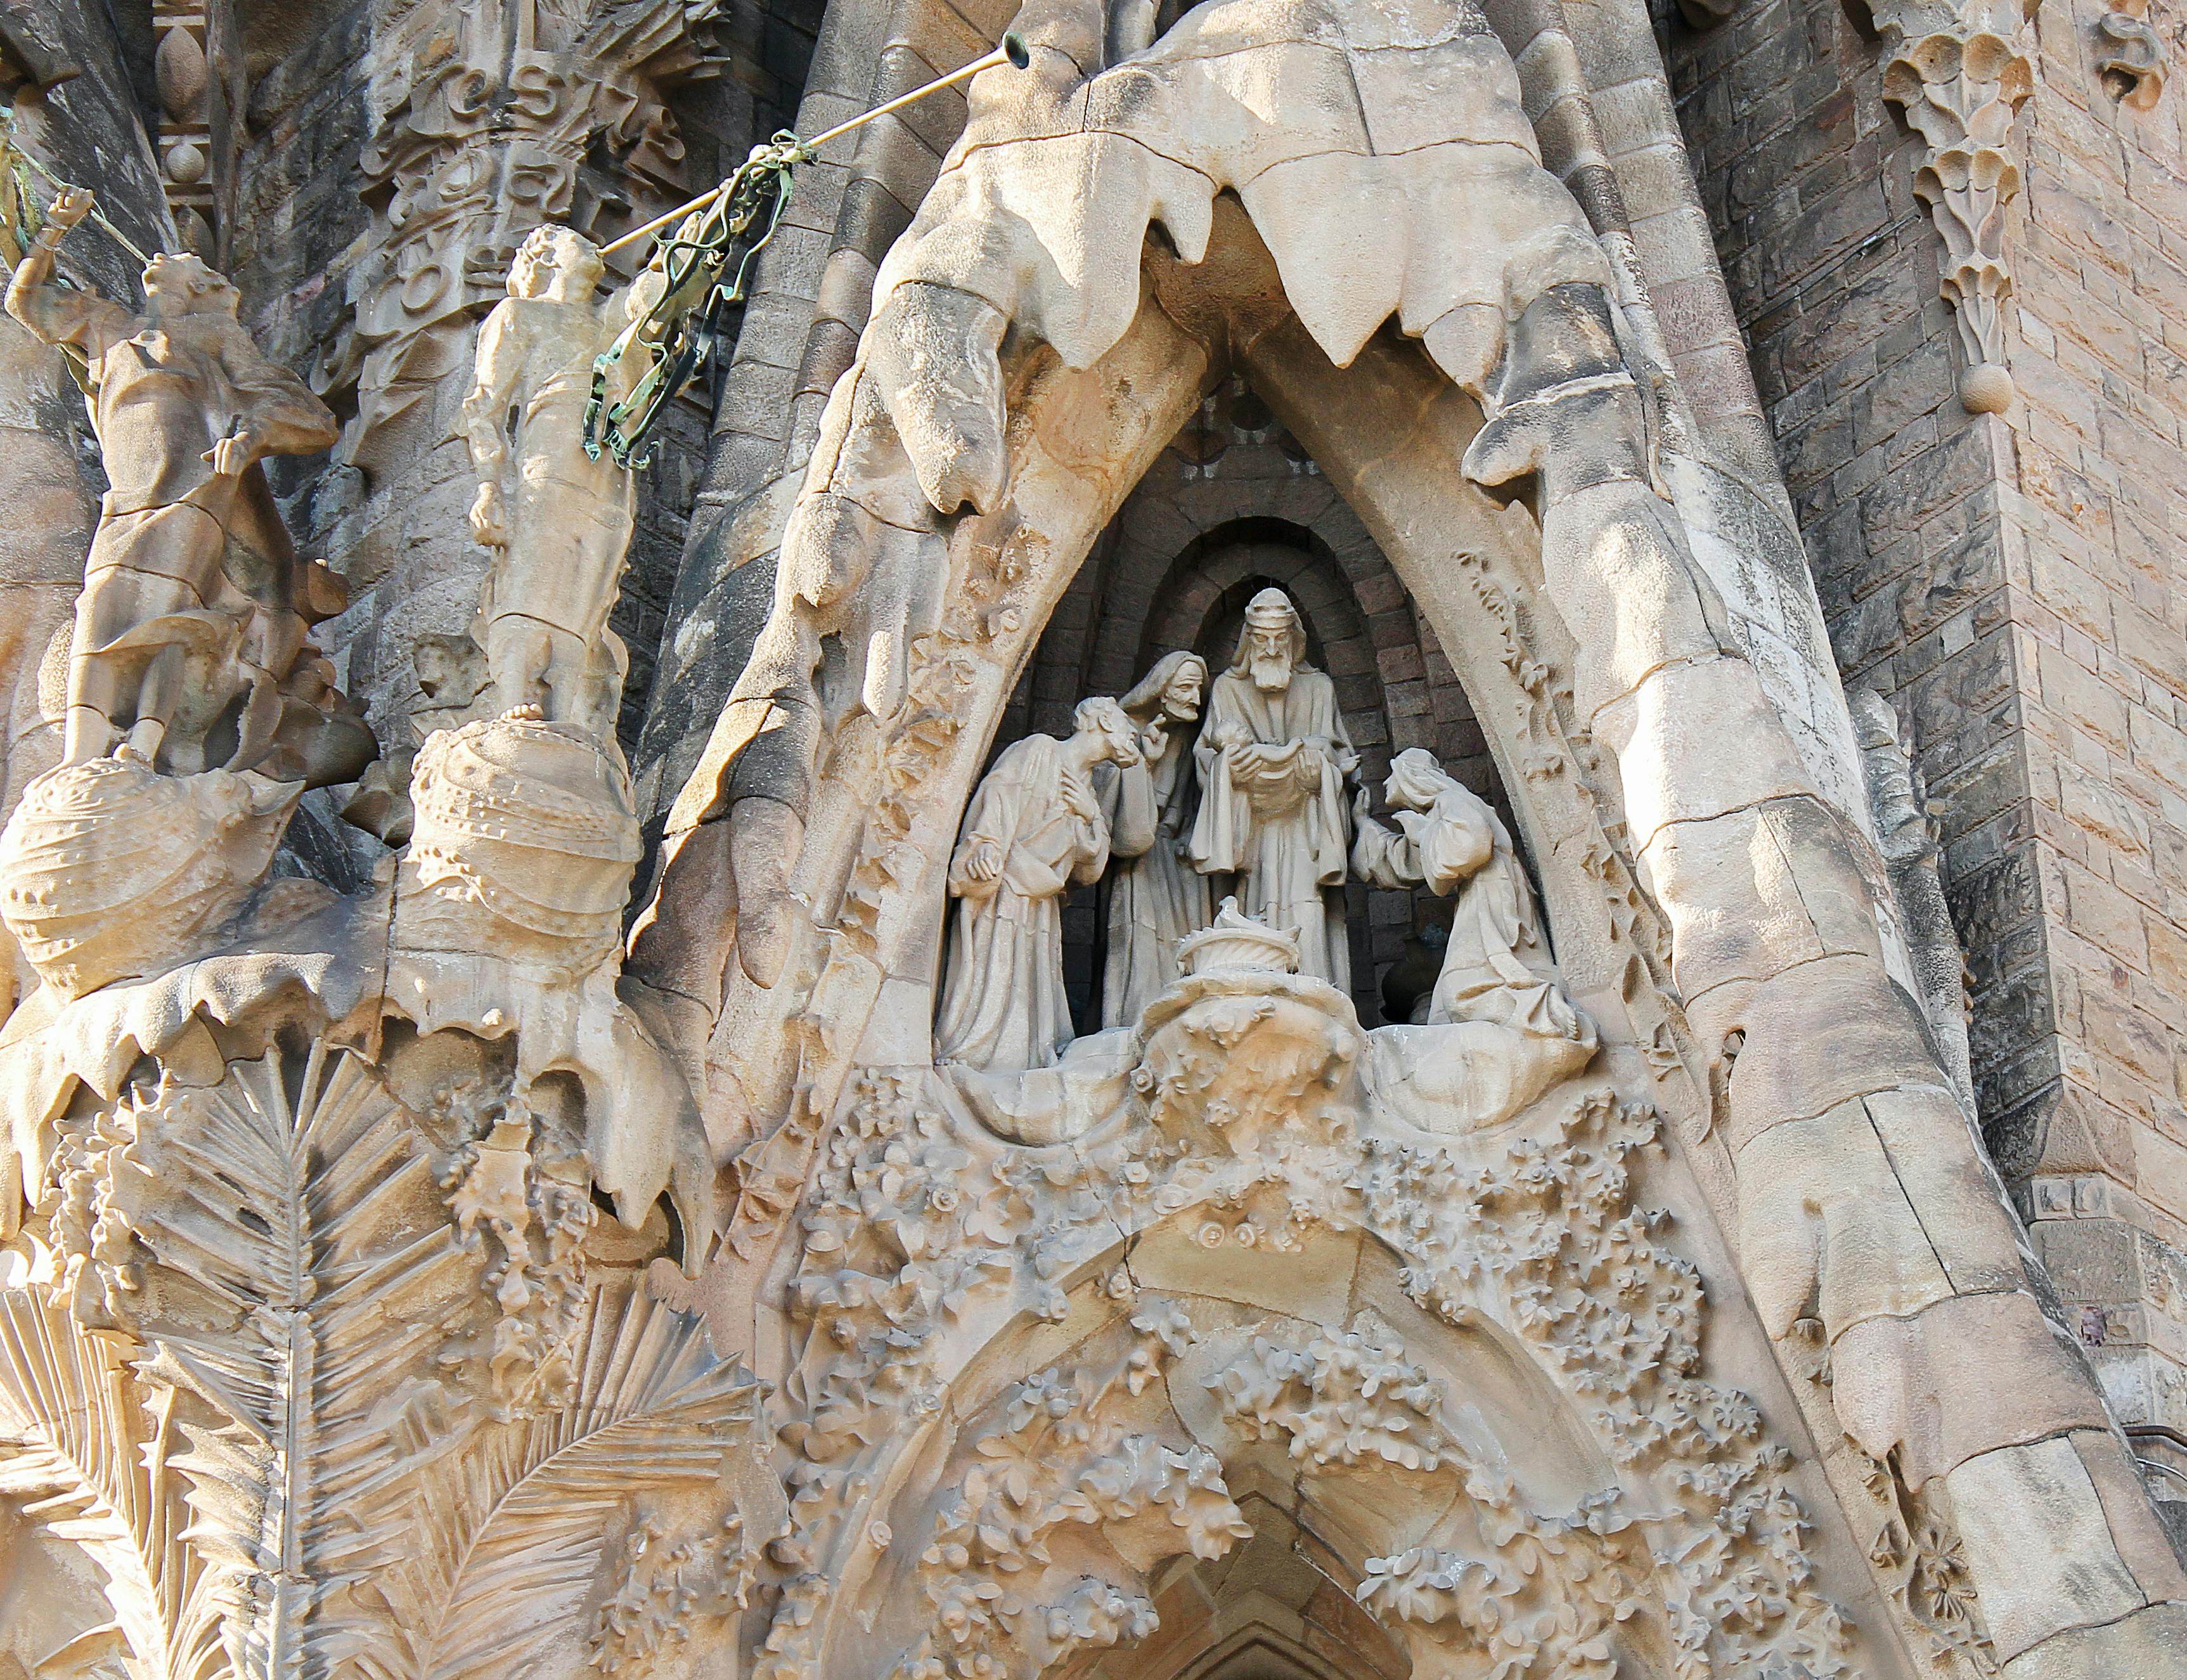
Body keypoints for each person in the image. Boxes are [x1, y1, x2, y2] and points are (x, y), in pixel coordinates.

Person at [6, 188, 347, 773]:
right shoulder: (110, 325)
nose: (167, 257)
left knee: (169, 615)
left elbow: (310, 418)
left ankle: (142, 749)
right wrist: (52, 232)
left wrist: (251, 437)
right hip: (128, 496)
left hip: (195, 493)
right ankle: (80, 758)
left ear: (203, 286)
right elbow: (26, 302)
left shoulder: (214, 336)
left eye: (186, 261)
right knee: (101, 607)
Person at [463, 224, 661, 736]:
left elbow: (665, 291)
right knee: (532, 570)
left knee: (591, 578)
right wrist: (489, 485)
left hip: (609, 463)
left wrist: (727, 209)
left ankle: (568, 711)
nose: (592, 244)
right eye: (574, 239)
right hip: (550, 453)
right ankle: (514, 694)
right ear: (546, 256)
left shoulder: (609, 317)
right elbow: (483, 408)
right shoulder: (520, 314)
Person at [937, 697, 1143, 1072]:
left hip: (1040, 901)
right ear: (1102, 721)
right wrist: (987, 845)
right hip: (1003, 886)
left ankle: (1020, 1062)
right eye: (1124, 722)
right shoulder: (1039, 750)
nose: (1133, 733)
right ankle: (972, 1055)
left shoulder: (1087, 791)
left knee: (1027, 984)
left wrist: (1091, 815)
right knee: (994, 973)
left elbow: (1088, 871)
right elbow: (999, 794)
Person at [1352, 747, 1587, 1041]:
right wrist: (1362, 823)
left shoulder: (1451, 799)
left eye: (1393, 773)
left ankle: (1546, 1010)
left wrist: (1423, 833)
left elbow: (1470, 847)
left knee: (1464, 991)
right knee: (1450, 1003)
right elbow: (1406, 861)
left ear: (1411, 777)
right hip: (1480, 897)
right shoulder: (1439, 814)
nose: (1386, 782)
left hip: (1492, 895)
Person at [1187, 588, 1358, 986]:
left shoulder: (1318, 688)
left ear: (1294, 639)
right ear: (1248, 640)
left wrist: (1322, 775)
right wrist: (1229, 770)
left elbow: (1341, 758)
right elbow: (1206, 759)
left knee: (1308, 912)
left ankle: (1315, 993)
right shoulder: (1228, 689)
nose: (1270, 649)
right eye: (1261, 639)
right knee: (1253, 905)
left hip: (1305, 827)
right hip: (1253, 831)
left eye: (1280, 638)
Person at [1099, 650, 1210, 1024]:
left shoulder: (1188, 736)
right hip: (1138, 857)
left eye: (1198, 689)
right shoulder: (1122, 732)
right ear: (1161, 690)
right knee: (1141, 938)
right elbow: (1106, 806)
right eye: (1185, 688)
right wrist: (1144, 762)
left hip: (1177, 856)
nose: (1195, 698)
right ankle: (1135, 1019)